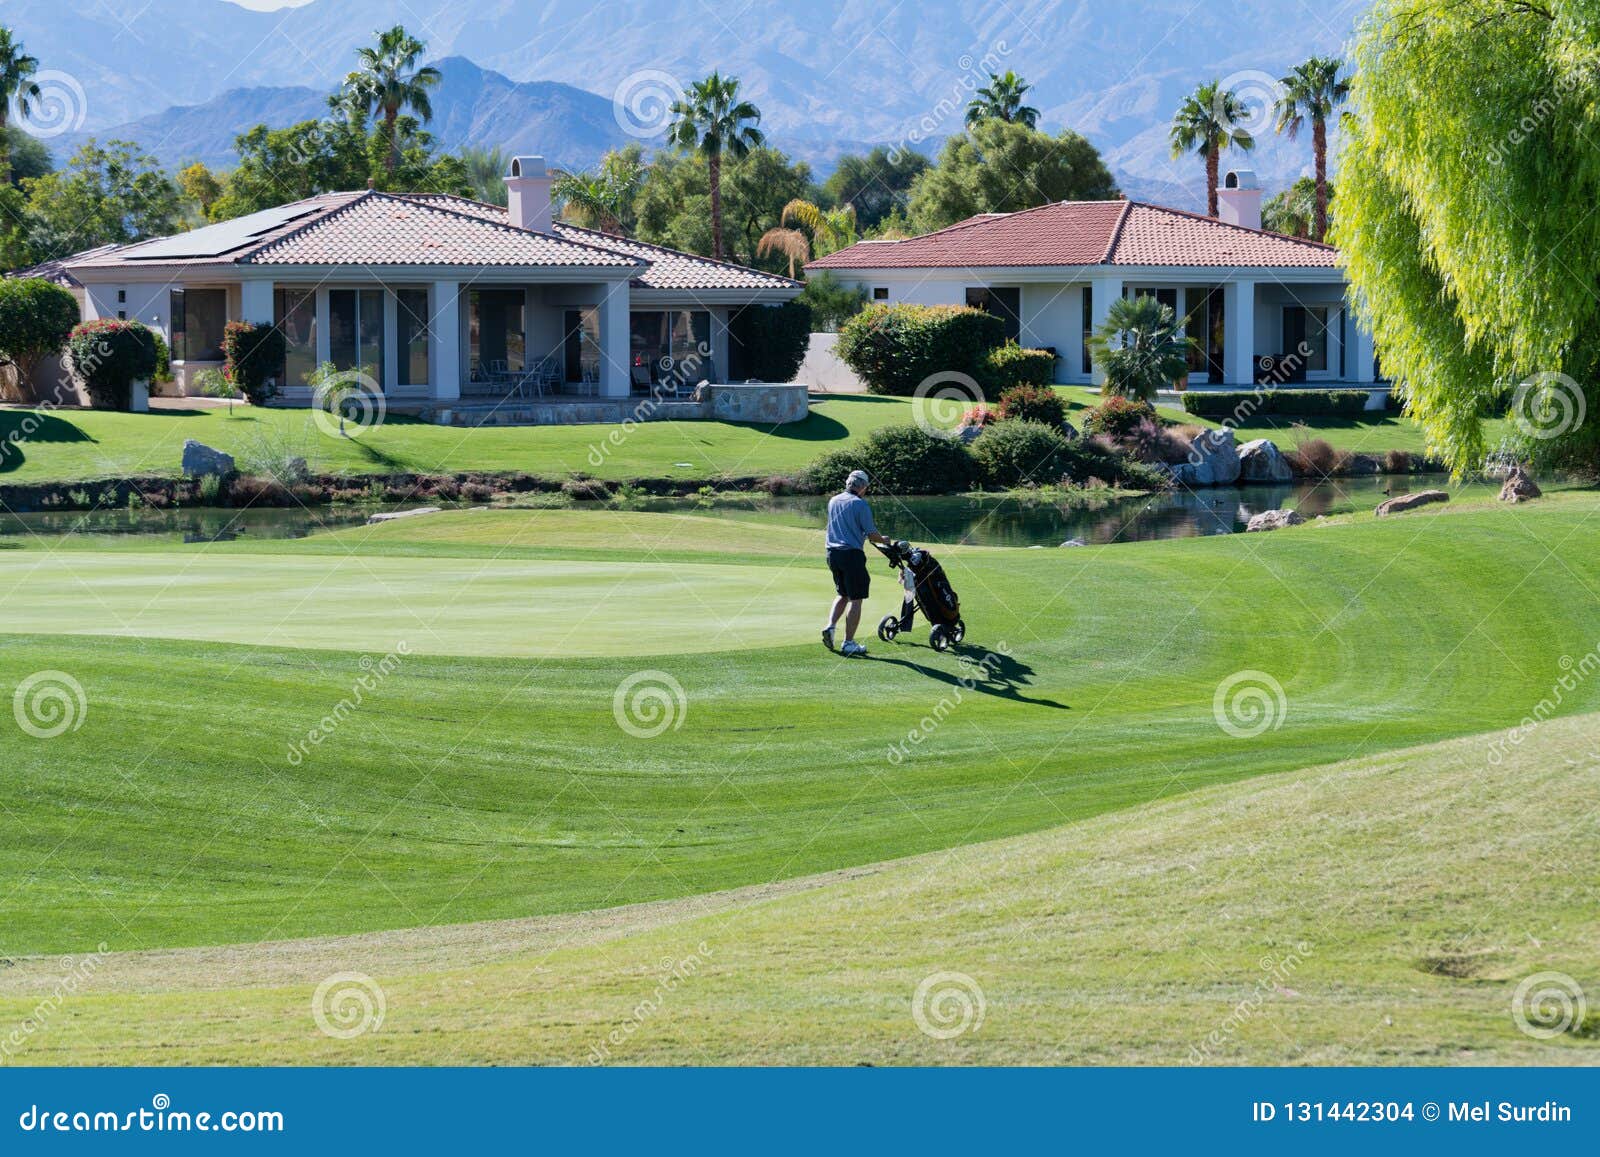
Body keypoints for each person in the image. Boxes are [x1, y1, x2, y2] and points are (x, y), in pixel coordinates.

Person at [822, 469, 890, 657]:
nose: (866, 490)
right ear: (861, 486)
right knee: (856, 599)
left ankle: (830, 627)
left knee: (842, 593)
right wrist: (885, 540)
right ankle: (848, 643)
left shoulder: (833, 500)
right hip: (851, 554)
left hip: (832, 554)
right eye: (866, 487)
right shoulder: (860, 505)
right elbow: (872, 535)